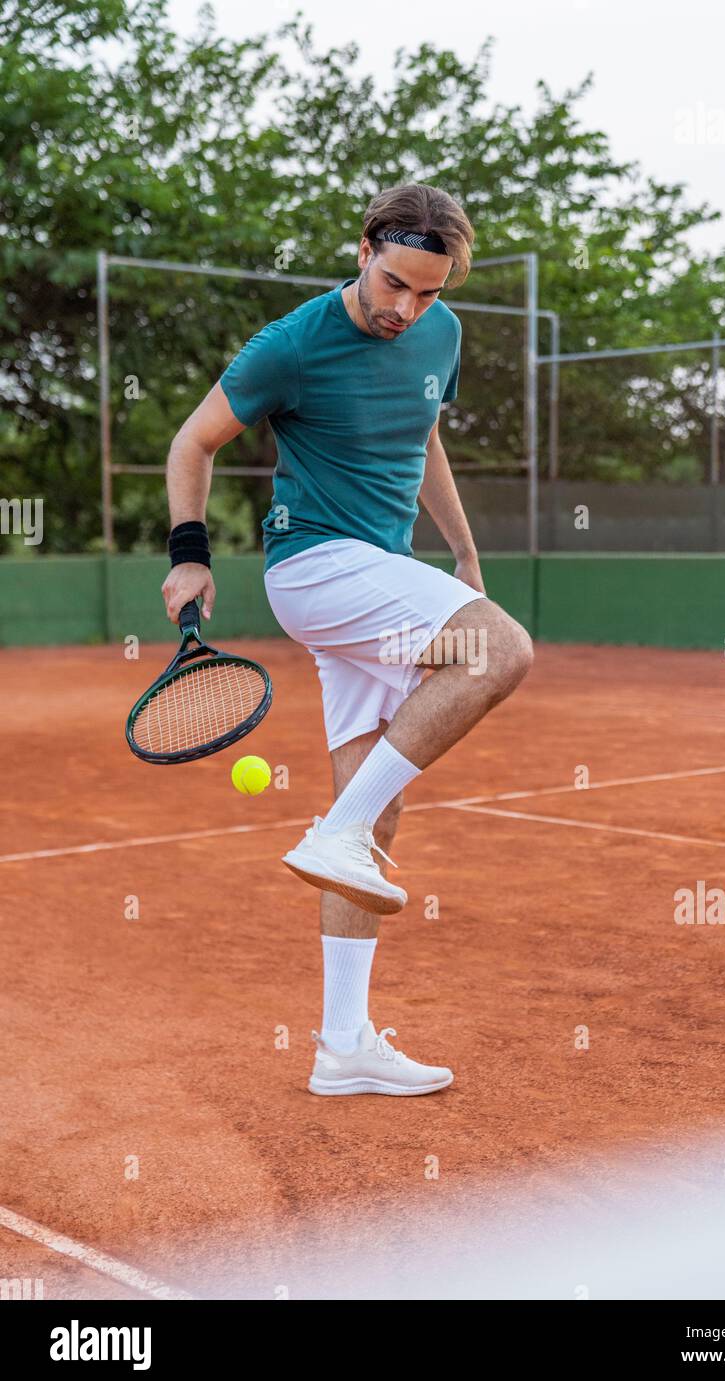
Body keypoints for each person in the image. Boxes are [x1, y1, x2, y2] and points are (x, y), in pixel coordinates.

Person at [161, 182, 533, 1096]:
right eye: (396, 283)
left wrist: (464, 552)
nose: (408, 309)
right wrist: (190, 553)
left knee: (376, 820)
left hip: (383, 571)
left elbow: (425, 436)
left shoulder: (438, 336)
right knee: (501, 651)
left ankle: (342, 1046)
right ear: (364, 248)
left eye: (429, 292)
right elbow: (194, 442)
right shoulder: (290, 344)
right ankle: (335, 830)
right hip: (316, 569)